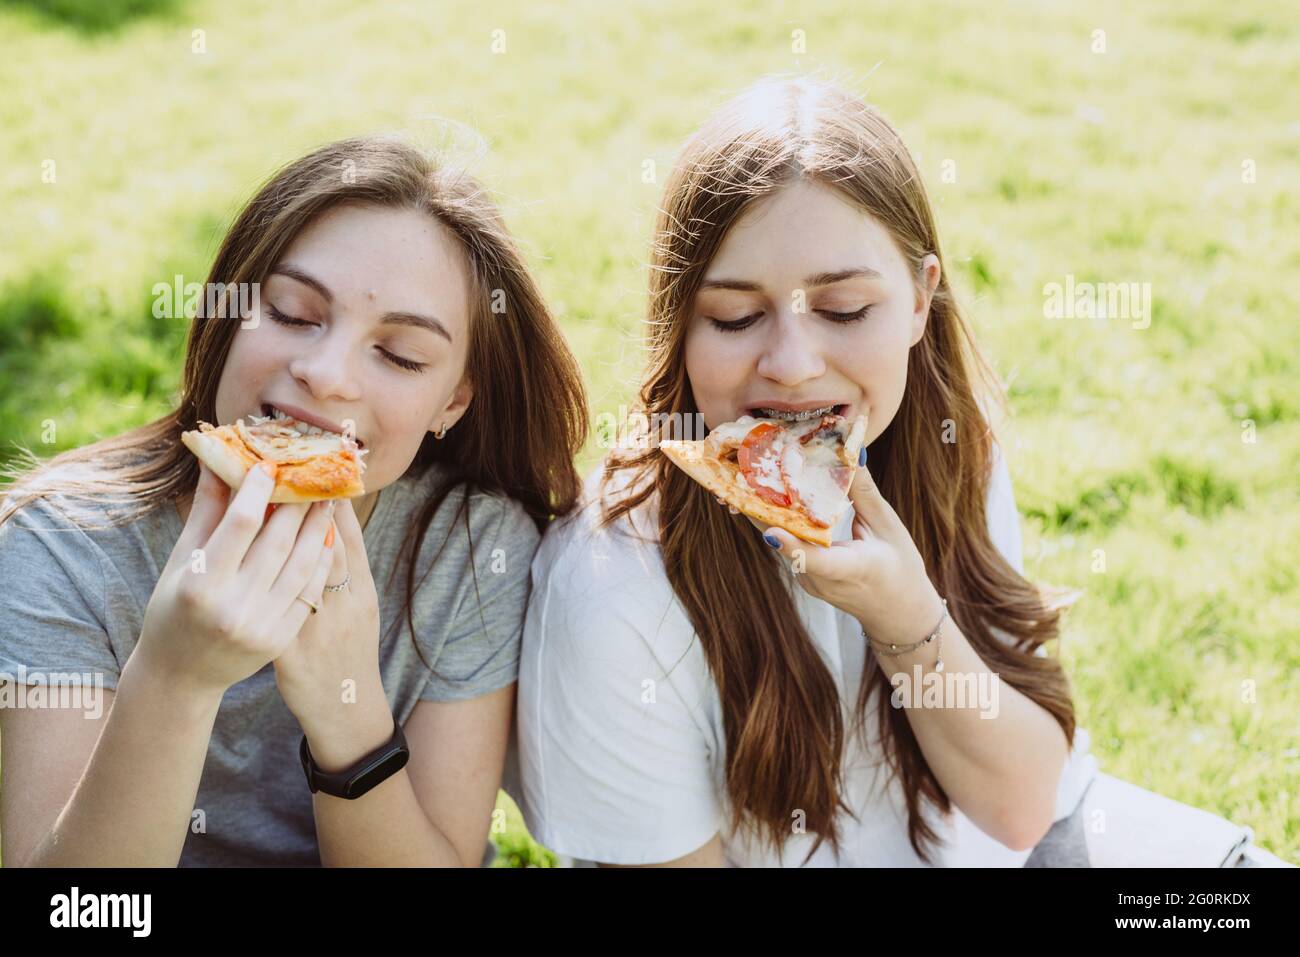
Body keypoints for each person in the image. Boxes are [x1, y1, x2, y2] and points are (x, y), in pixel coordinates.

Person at [514, 76, 1099, 867]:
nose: (791, 364)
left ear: (921, 301)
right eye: (735, 317)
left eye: (844, 310)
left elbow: (1024, 807)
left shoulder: (949, 452)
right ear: (679, 324)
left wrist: (906, 621)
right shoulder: (609, 593)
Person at [0, 134, 587, 867]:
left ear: (452, 401)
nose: (325, 373)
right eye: (290, 312)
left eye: (401, 355)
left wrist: (348, 710)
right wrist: (176, 673)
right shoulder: (62, 545)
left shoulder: (470, 549)